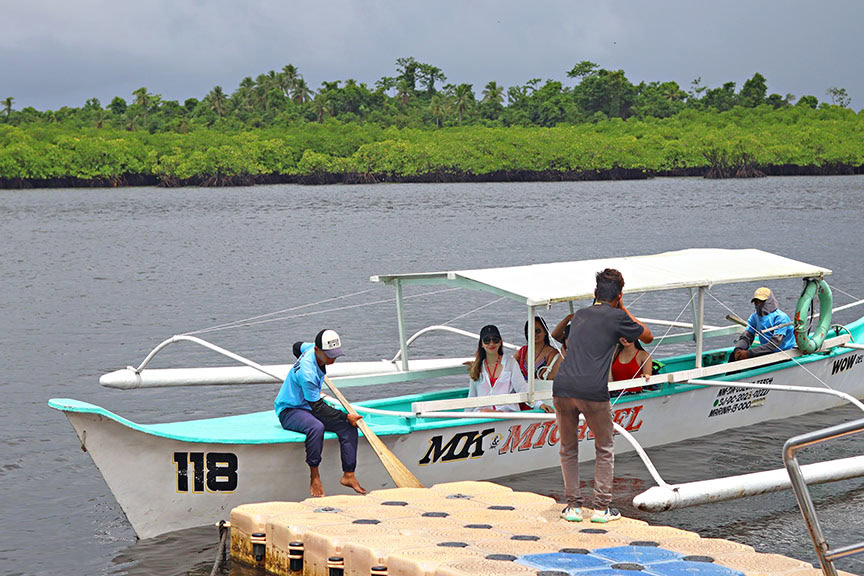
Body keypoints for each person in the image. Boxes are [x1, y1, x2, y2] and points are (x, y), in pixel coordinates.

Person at [552, 269, 654, 523]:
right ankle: (601, 508)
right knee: (604, 447)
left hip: (563, 387)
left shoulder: (580, 316)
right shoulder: (617, 316)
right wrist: (623, 308)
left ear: (595, 293)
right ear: (618, 295)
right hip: (592, 391)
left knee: (568, 448)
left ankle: (573, 507)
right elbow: (647, 337)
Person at [274, 329, 365, 497]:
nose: (332, 359)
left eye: (335, 355)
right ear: (317, 350)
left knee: (348, 427)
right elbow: (318, 408)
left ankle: (349, 475)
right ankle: (314, 476)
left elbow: (296, 347)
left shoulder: (309, 348)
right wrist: (345, 415)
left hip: (308, 405)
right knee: (317, 427)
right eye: (329, 355)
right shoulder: (307, 374)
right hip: (290, 410)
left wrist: (346, 420)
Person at [467, 325, 554, 413]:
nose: (491, 343)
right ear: (481, 344)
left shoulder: (510, 363)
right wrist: (465, 419)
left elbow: (522, 388)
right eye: (487, 341)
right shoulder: (477, 367)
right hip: (482, 416)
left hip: (506, 415)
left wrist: (540, 404)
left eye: (495, 340)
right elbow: (472, 397)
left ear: (500, 342)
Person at [732, 287, 795, 361]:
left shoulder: (780, 317)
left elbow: (774, 344)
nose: (758, 304)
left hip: (783, 352)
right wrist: (738, 349)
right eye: (756, 302)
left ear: (769, 301)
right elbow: (747, 336)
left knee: (752, 360)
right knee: (733, 356)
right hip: (766, 351)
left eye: (760, 301)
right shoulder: (754, 317)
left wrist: (749, 353)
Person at [515, 316, 563, 381]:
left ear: (545, 332)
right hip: (522, 388)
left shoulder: (552, 353)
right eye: (530, 331)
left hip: (542, 389)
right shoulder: (523, 351)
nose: (534, 334)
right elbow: (510, 366)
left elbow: (545, 376)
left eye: (538, 331)